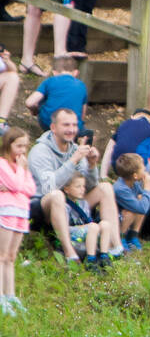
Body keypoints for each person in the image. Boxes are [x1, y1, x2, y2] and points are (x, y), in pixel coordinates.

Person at [28, 107, 123, 263]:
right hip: (44, 205)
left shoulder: (74, 149)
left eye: (74, 125)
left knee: (105, 187)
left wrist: (92, 166)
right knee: (57, 195)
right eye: (66, 125)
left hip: (72, 203)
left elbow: (88, 186)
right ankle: (69, 253)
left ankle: (115, 246)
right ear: (53, 128)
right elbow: (48, 187)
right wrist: (73, 161)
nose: (71, 130)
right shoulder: (40, 151)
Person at [0, 126, 36, 310]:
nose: (22, 151)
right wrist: (20, 175)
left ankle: (10, 294)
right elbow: (15, 184)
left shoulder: (22, 167)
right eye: (18, 146)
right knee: (2, 254)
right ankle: (1, 296)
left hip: (22, 212)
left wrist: (19, 180)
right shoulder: (3, 164)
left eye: (25, 146)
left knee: (12, 256)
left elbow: (31, 189)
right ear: (9, 145)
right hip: (6, 210)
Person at [60, 171, 108, 271]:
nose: (82, 190)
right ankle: (90, 260)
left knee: (105, 224)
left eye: (83, 186)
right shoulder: (64, 206)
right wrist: (84, 227)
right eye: (78, 187)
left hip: (87, 230)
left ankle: (104, 257)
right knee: (93, 226)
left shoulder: (84, 203)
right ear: (67, 189)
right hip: (73, 234)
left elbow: (88, 221)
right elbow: (64, 228)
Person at [25, 60, 87, 130]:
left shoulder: (50, 81)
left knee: (44, 98)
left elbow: (29, 103)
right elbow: (83, 113)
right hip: (73, 126)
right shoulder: (81, 85)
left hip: (49, 123)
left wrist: (35, 110)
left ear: (54, 72)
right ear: (76, 72)